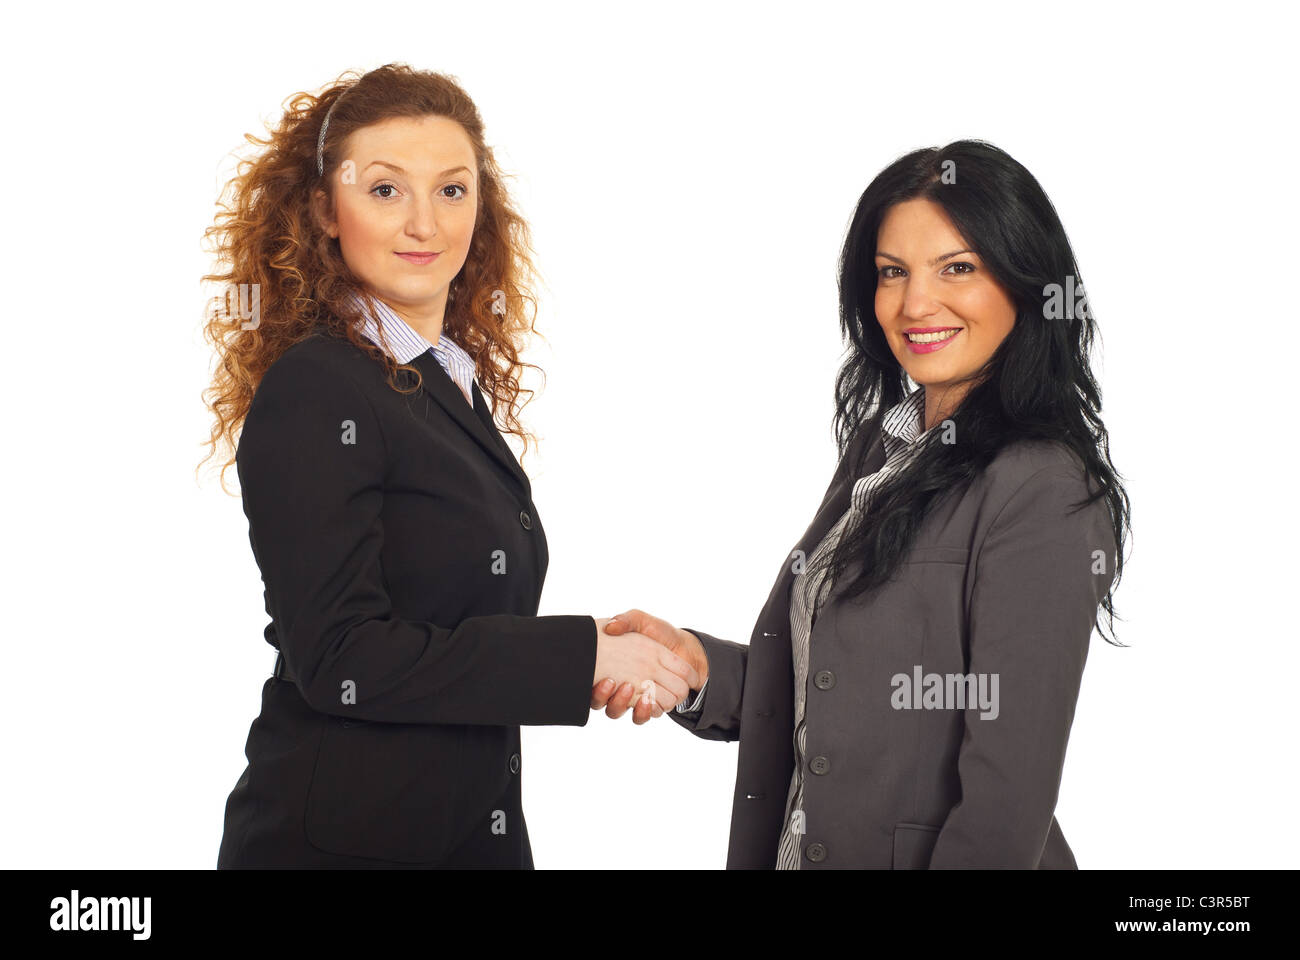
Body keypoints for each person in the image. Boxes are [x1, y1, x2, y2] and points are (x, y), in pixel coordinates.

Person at [201, 63, 697, 868]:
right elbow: (341, 656)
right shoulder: (321, 383)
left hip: (468, 833)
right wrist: (578, 660)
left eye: (453, 190)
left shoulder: (440, 381)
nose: (424, 224)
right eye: (386, 190)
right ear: (327, 209)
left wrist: (595, 660)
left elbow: (449, 627)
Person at [599, 140, 1131, 869]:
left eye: (958, 268)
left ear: (1028, 285)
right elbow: (854, 690)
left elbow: (1006, 804)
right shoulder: (888, 449)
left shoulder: (1041, 487)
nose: (915, 303)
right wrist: (700, 673)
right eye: (892, 273)